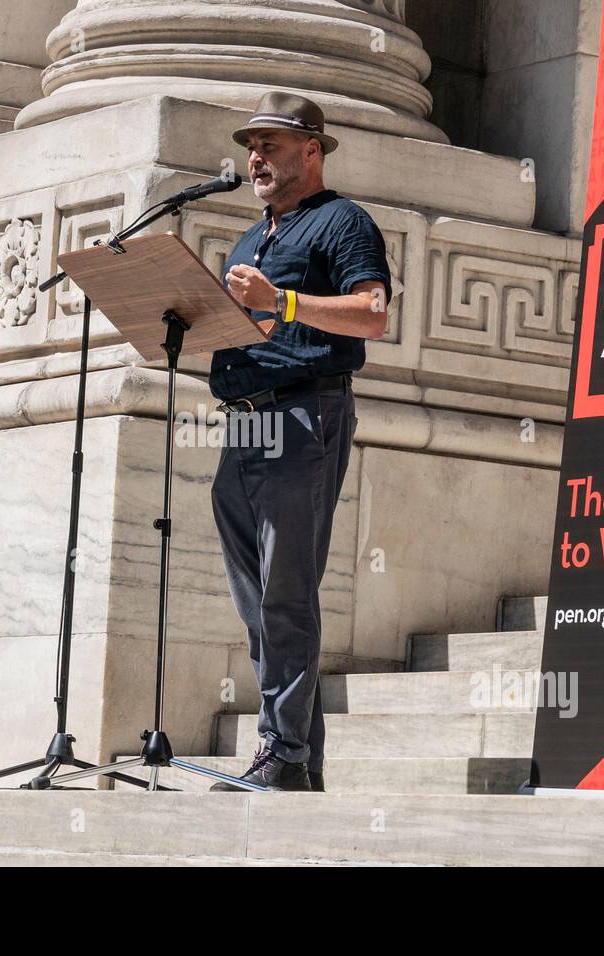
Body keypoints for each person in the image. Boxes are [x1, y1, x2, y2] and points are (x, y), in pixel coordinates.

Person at [208, 92, 392, 792]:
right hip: (244, 421)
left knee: (286, 592)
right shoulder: (252, 239)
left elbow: (372, 315)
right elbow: (256, 326)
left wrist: (279, 302)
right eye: (252, 143)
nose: (256, 156)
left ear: (311, 150)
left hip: (303, 417)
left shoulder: (342, 222)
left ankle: (281, 750)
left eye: (273, 143)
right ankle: (295, 759)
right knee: (256, 599)